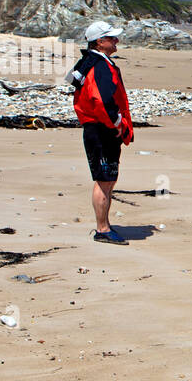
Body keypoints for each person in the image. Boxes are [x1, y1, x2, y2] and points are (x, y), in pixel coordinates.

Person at [70, 20, 134, 244]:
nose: (116, 41)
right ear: (100, 42)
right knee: (104, 180)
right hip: (101, 129)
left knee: (106, 179)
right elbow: (101, 100)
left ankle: (103, 225)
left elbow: (77, 86)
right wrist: (117, 124)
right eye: (111, 38)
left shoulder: (89, 62)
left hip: (96, 127)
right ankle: (103, 229)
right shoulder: (99, 66)